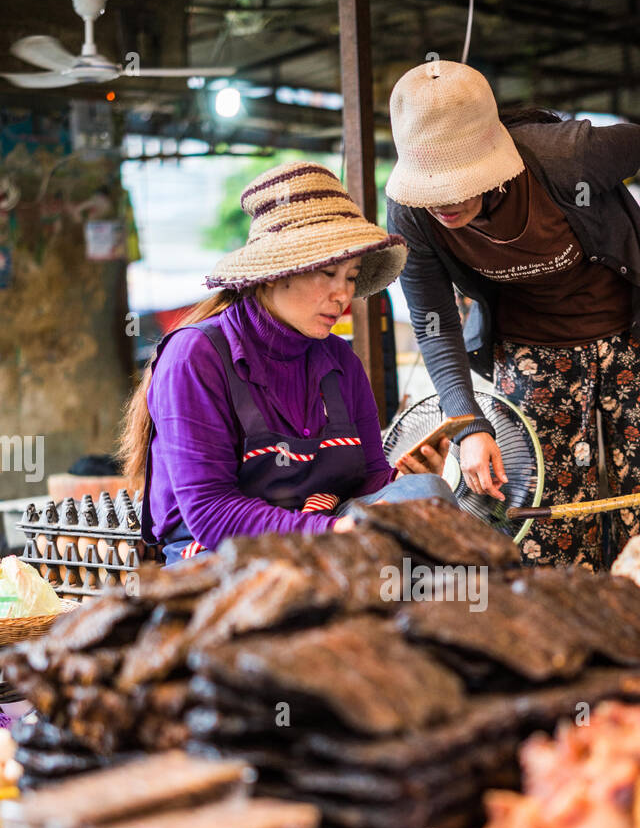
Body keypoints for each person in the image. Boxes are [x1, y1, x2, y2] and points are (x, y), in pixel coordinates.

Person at [386, 61, 640, 568]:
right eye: (429, 187)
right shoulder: (411, 213)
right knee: (546, 525)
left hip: (636, 339)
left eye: (454, 183)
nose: (441, 204)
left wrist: (568, 141)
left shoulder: (563, 159)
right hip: (532, 354)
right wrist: (468, 423)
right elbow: (433, 318)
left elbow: (637, 140)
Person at [120, 161, 456, 564]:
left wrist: (407, 478)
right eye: (328, 272)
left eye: (350, 276)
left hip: (329, 536)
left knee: (424, 497)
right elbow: (210, 513)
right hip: (222, 555)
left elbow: (369, 479)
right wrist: (330, 531)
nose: (342, 295)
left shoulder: (340, 360)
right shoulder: (195, 357)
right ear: (272, 274)